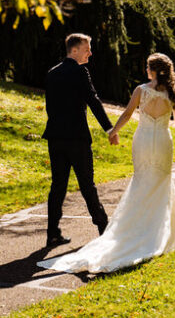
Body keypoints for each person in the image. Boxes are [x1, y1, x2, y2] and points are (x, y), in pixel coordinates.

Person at [38, 52, 175, 274]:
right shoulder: (172, 93)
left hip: (144, 141)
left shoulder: (141, 90)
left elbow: (127, 114)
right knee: (161, 183)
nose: (146, 71)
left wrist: (113, 131)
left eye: (148, 67)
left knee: (141, 182)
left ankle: (136, 230)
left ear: (152, 69)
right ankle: (158, 233)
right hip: (164, 141)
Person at [43, 33, 118, 249]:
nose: (90, 53)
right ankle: (104, 228)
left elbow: (50, 108)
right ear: (74, 50)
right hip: (76, 138)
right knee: (87, 185)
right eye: (87, 49)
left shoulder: (52, 73)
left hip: (55, 138)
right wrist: (110, 129)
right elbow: (93, 101)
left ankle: (52, 233)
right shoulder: (79, 71)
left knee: (58, 185)